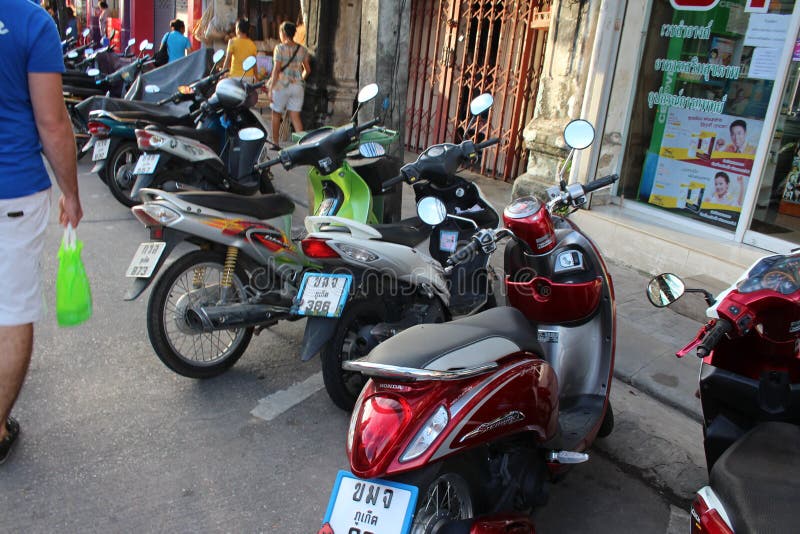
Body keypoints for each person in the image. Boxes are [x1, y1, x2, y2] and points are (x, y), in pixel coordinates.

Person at [0, 0, 83, 464]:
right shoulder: (31, 20)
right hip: (13, 190)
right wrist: (70, 194)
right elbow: (52, 122)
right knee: (10, 311)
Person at [269, 21, 310, 143]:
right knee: (295, 117)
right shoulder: (302, 49)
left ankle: (275, 143)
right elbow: (308, 70)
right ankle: (303, 145)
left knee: (276, 114)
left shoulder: (279, 48)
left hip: (281, 85)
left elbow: (276, 70)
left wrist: (271, 88)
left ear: (283, 33)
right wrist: (300, 79)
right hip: (297, 86)